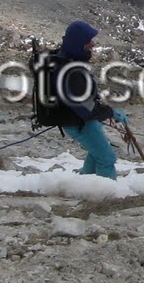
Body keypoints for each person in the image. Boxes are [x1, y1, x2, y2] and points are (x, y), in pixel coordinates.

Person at [51, 20, 126, 179]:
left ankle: (85, 183)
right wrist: (111, 113)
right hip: (78, 122)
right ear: (78, 43)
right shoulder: (68, 70)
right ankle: (105, 195)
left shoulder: (68, 61)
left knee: (96, 152)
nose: (92, 44)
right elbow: (84, 107)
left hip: (80, 120)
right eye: (88, 41)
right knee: (106, 158)